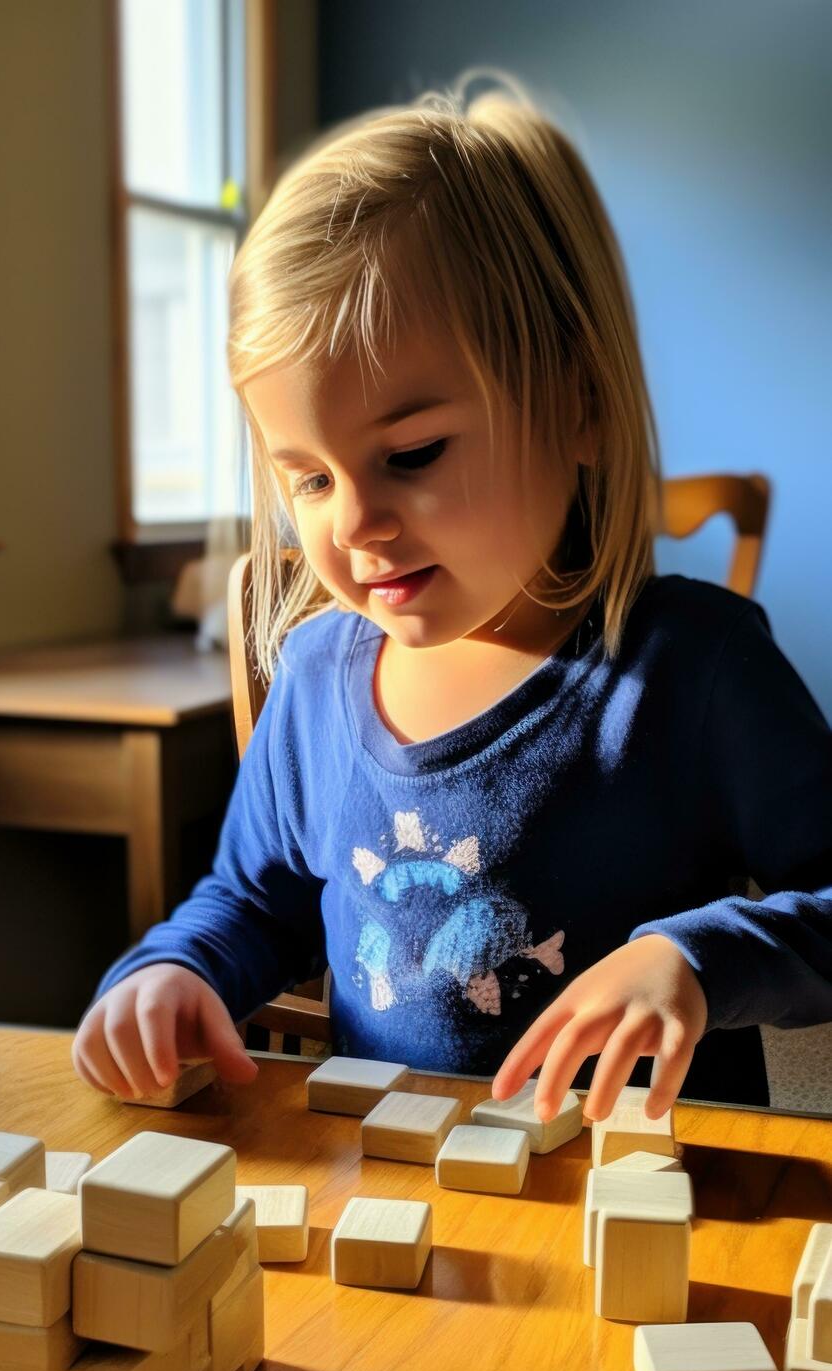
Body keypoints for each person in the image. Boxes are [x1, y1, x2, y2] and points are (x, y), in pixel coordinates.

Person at [73, 72, 832, 1123]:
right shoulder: (313, 681)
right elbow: (249, 901)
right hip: (390, 1209)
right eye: (310, 477)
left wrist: (697, 958)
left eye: (412, 452)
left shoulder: (694, 669)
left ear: (579, 406)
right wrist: (175, 973)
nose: (353, 523)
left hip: (638, 1216)